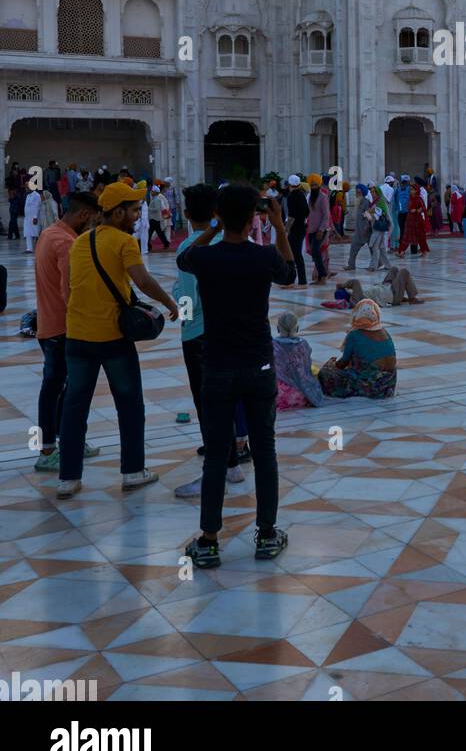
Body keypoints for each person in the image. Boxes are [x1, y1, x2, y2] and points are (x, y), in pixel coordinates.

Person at [177, 183, 295, 569]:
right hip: (258, 364)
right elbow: (290, 274)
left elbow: (185, 258)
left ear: (220, 216)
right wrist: (278, 227)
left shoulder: (207, 259)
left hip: (217, 365)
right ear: (252, 219)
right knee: (265, 451)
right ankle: (265, 534)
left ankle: (209, 540)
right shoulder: (262, 258)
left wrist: (214, 225)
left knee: (216, 455)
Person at [57, 182, 180, 498]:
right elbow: (142, 279)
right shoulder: (125, 242)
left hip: (77, 335)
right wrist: (169, 303)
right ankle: (133, 471)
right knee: (128, 403)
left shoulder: (80, 242)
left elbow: (70, 286)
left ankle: (68, 478)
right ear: (117, 211)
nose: (138, 215)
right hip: (111, 336)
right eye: (135, 210)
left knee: (74, 406)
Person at [172, 184, 246, 499]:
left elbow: (189, 300)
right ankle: (232, 465)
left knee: (207, 406)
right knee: (227, 399)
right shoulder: (230, 241)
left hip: (200, 335)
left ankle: (213, 475)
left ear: (187, 214)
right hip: (233, 332)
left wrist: (181, 314)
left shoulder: (191, 248)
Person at [32, 191, 102, 474]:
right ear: (84, 215)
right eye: (92, 220)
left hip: (49, 326)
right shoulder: (66, 243)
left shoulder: (49, 234)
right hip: (62, 328)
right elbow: (69, 290)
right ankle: (48, 449)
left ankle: (70, 439)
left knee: (62, 389)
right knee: (56, 388)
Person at [317, 298, 397, 399]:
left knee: (325, 373)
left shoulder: (354, 335)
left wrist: (332, 366)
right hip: (389, 384)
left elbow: (343, 362)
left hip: (371, 386)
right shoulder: (384, 331)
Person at [273, 312, 326, 409]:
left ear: (278, 328)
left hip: (281, 395)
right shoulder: (303, 344)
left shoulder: (274, 345)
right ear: (297, 328)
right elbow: (306, 369)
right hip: (304, 394)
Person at [284, 174, 310, 285]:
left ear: (289, 184)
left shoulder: (291, 196)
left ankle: (296, 280)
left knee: (293, 255)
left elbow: (291, 216)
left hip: (294, 230)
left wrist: (286, 230)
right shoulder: (301, 194)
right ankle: (299, 280)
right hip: (302, 228)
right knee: (296, 254)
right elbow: (307, 212)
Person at [306, 176, 331, 283]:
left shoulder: (323, 197)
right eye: (312, 185)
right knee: (314, 252)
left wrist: (321, 230)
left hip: (320, 230)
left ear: (319, 185)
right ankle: (321, 276)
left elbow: (326, 215)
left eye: (315, 185)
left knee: (316, 250)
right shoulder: (311, 196)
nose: (314, 187)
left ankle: (323, 275)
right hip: (311, 229)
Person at [398, 178, 430, 256]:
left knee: (420, 236)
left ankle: (424, 251)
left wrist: (416, 210)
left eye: (413, 189)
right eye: (411, 189)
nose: (411, 191)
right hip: (410, 220)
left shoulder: (419, 199)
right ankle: (401, 252)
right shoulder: (410, 199)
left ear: (416, 190)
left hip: (417, 221)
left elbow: (423, 208)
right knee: (406, 236)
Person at [345, 183, 374, 270]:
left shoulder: (366, 202)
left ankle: (376, 264)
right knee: (353, 248)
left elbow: (369, 216)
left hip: (366, 230)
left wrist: (367, 226)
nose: (357, 194)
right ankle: (351, 265)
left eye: (359, 192)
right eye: (357, 192)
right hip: (359, 231)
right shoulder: (359, 202)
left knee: (372, 249)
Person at [367, 183, 393, 271]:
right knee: (381, 248)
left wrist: (372, 211)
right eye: (371, 192)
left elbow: (384, 214)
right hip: (376, 227)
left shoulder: (381, 201)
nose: (372, 193)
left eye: (374, 192)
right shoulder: (376, 201)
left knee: (374, 246)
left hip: (379, 228)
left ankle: (373, 266)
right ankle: (388, 265)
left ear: (378, 192)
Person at [147, 185, 170, 249]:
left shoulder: (156, 199)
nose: (151, 192)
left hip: (154, 218)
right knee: (159, 232)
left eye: (152, 191)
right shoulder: (155, 198)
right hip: (155, 218)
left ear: (155, 192)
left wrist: (148, 209)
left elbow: (157, 209)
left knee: (150, 232)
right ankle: (166, 243)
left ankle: (148, 245)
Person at [24, 185, 41, 253]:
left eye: (27, 188)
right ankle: (29, 248)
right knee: (28, 233)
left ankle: (39, 247)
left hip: (33, 218)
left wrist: (35, 217)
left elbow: (37, 206)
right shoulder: (28, 196)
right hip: (27, 218)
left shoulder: (36, 196)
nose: (26, 189)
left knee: (36, 233)